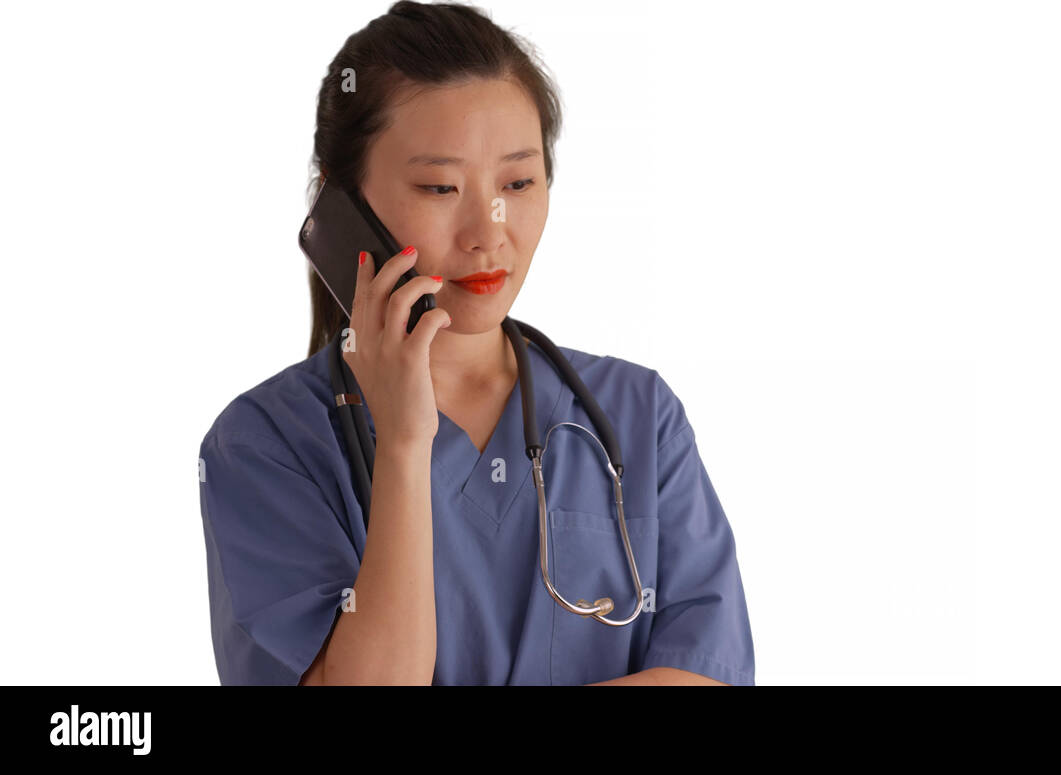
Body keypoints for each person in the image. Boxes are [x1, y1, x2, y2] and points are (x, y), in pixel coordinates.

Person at [197, 1, 755, 685]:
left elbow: (707, 674)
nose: (487, 231)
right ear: (341, 208)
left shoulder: (638, 413)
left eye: (517, 182)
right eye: (440, 186)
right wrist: (404, 441)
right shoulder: (265, 443)